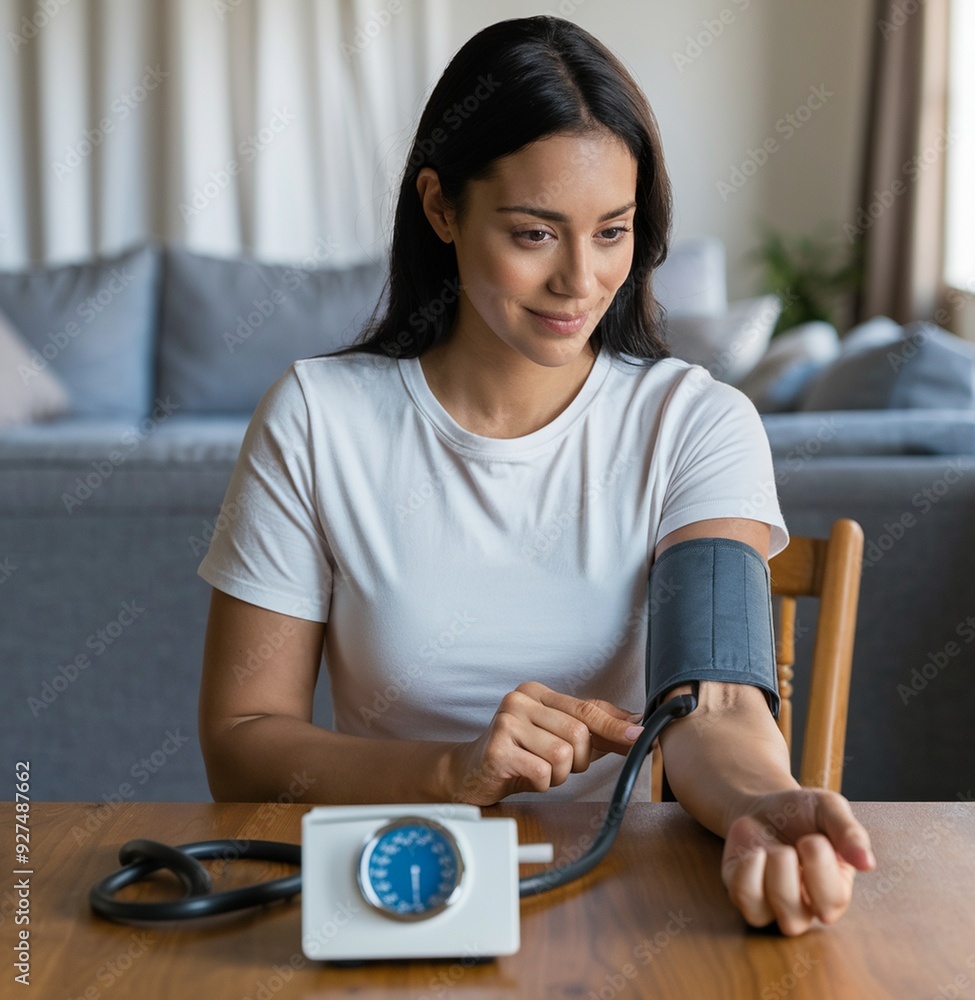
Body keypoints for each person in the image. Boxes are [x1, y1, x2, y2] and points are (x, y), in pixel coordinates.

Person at [197, 15, 875, 936]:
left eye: (613, 232)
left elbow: (712, 704)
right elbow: (241, 744)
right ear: (442, 208)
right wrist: (451, 771)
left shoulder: (696, 423)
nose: (581, 281)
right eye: (534, 233)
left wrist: (761, 798)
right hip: (395, 894)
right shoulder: (320, 418)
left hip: (626, 910)